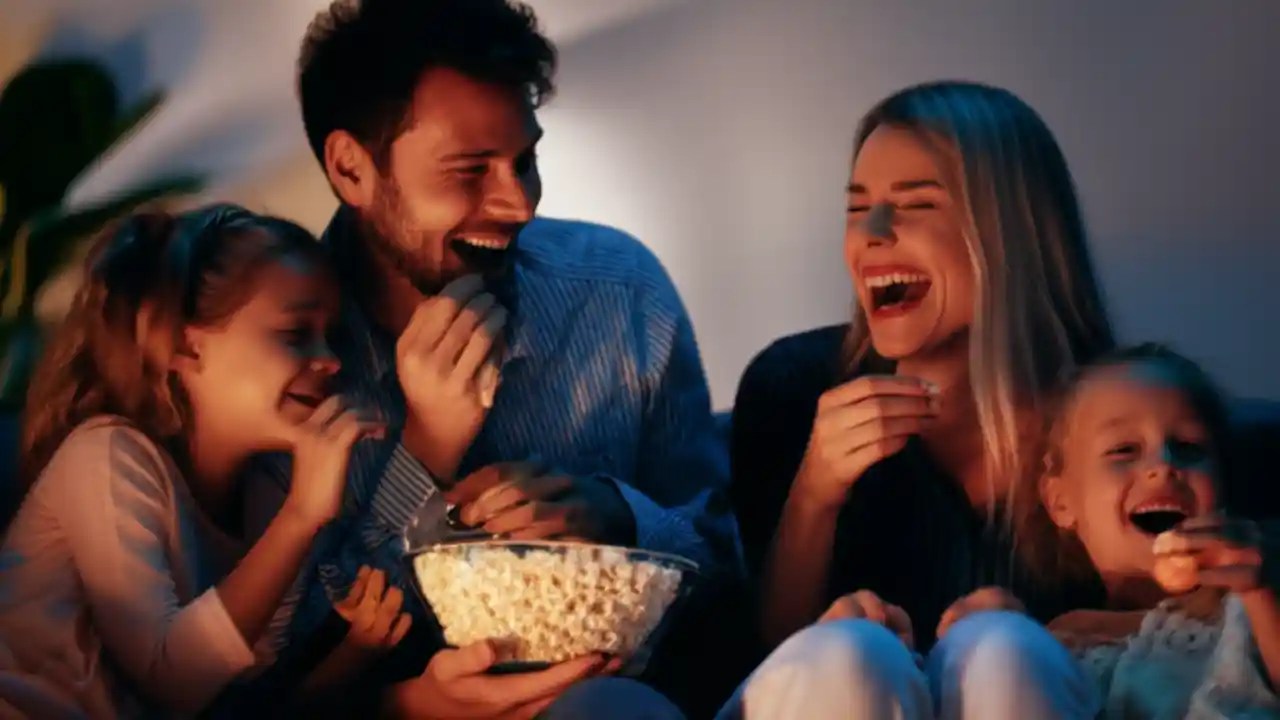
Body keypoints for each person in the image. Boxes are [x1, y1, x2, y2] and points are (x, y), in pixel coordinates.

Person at [245, 1, 733, 716]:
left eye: (525, 162)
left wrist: (619, 518)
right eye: (470, 171)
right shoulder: (275, 367)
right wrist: (424, 457)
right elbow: (269, 668)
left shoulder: (621, 295)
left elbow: (728, 558)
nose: (519, 205)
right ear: (351, 170)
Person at [721, 80, 1115, 717]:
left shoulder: (1115, 410)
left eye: (916, 204)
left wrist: (1052, 635)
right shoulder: (792, 384)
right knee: (851, 653)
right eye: (858, 208)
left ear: (1011, 232)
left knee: (1003, 648)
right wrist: (816, 491)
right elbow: (765, 651)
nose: (872, 233)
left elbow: (1187, 629)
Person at [0, 205, 406, 718]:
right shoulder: (107, 457)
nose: (331, 360)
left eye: (331, 336)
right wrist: (303, 515)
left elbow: (235, 704)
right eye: (295, 334)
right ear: (185, 346)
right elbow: (170, 681)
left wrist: (354, 653)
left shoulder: (263, 496)